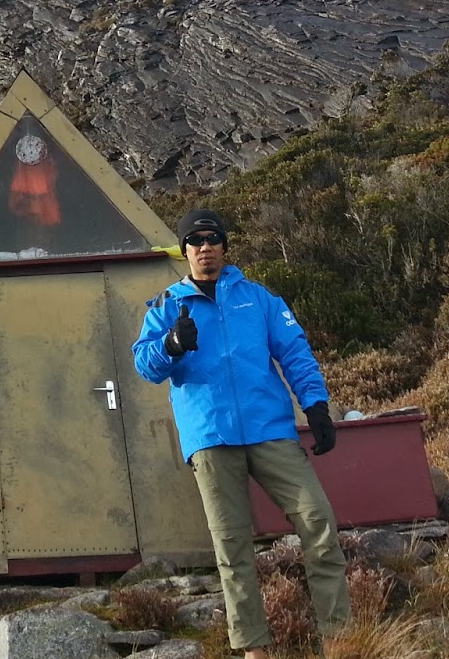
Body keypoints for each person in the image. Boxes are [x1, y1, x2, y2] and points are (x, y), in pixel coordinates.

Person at [133, 210, 349, 656]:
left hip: (270, 430)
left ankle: (339, 635)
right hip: (211, 437)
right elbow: (145, 365)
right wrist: (171, 344)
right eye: (195, 240)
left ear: (225, 246)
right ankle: (253, 648)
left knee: (317, 519)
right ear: (185, 250)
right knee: (233, 547)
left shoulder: (260, 299)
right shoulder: (166, 305)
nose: (204, 247)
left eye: (212, 239)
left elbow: (295, 352)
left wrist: (317, 405)